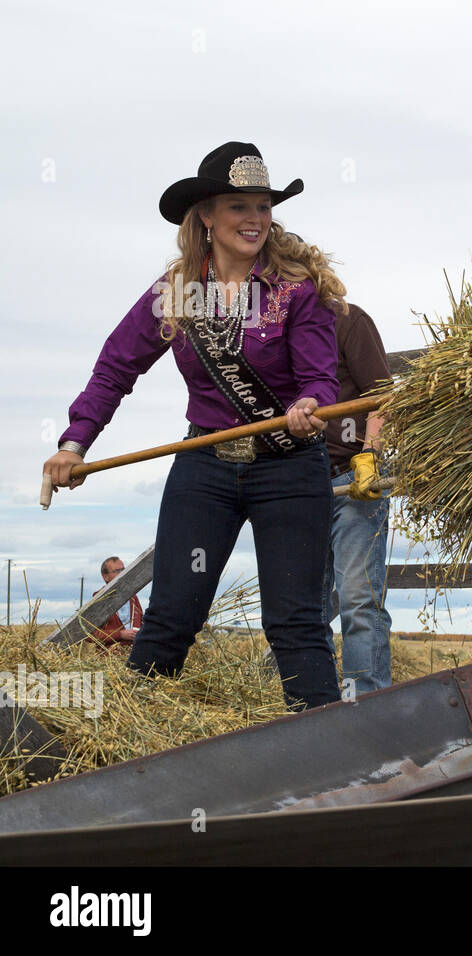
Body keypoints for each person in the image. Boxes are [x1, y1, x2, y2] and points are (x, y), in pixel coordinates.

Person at [42, 142, 343, 710]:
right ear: (205, 214)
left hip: (290, 468)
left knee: (296, 622)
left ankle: (325, 754)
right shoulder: (177, 293)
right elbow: (115, 366)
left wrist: (309, 408)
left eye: (263, 206)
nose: (254, 220)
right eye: (238, 207)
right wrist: (75, 441)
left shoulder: (296, 291)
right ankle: (129, 750)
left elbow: (320, 379)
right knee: (171, 615)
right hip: (204, 469)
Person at [323, 302, 394, 694]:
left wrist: (370, 455)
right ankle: (309, 708)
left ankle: (364, 704)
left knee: (358, 600)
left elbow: (382, 394)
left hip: (352, 480)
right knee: (304, 609)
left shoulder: (348, 320)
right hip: (299, 484)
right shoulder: (275, 331)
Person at [88, 556, 142, 652]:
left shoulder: (133, 597)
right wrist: (120, 634)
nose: (122, 573)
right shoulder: (99, 599)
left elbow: (141, 622)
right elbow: (89, 634)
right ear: (105, 576)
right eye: (117, 571)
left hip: (135, 655)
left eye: (123, 569)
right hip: (110, 660)